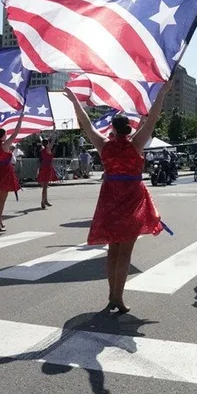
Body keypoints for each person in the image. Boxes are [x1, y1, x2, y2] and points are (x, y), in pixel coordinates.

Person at [64, 84, 170, 314]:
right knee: (125, 254)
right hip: (131, 202)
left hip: (110, 202)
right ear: (129, 129)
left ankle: (113, 295)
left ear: (112, 128)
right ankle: (117, 298)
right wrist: (161, 93)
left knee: (112, 251)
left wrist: (75, 102)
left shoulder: (103, 146)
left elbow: (86, 124)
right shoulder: (136, 144)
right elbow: (153, 118)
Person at [37, 137, 61, 209]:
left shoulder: (42, 149)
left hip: (44, 167)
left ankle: (45, 200)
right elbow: (53, 141)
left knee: (45, 186)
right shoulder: (48, 149)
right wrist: (54, 133)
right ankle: (42, 202)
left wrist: (39, 136)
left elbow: (41, 141)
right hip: (47, 168)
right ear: (47, 143)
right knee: (45, 187)